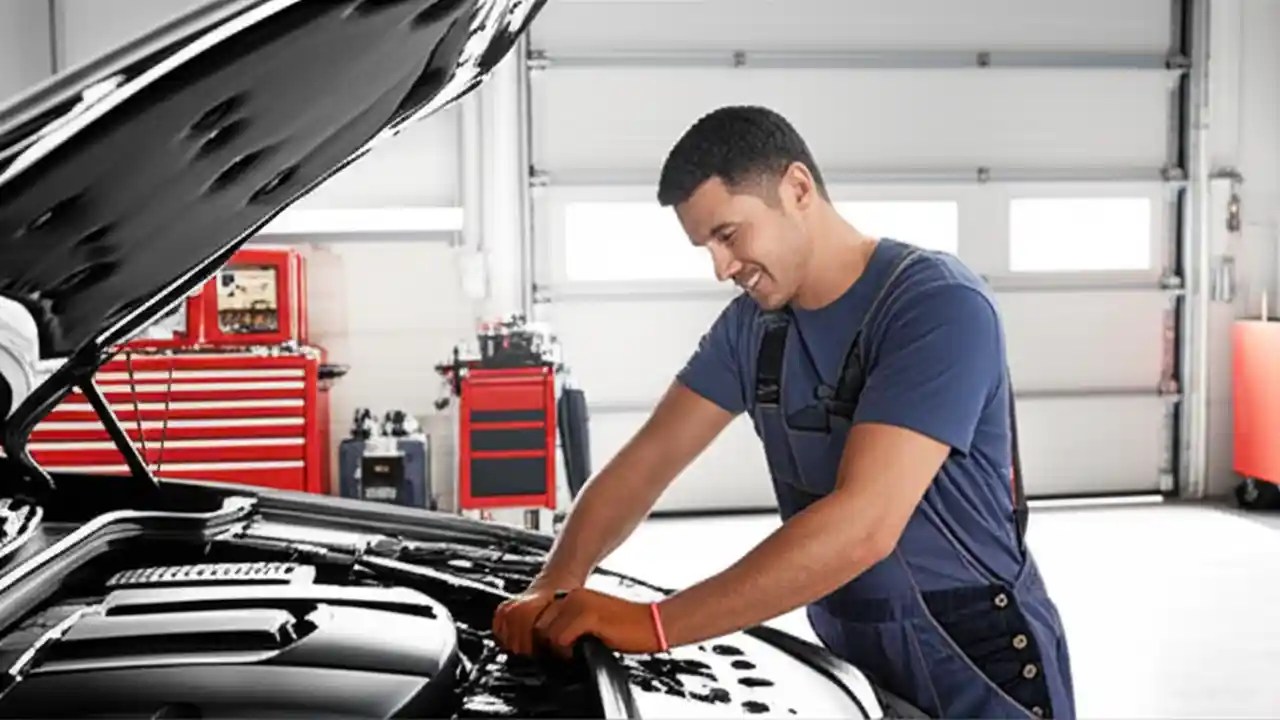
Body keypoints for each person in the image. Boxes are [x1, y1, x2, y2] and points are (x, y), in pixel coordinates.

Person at [492, 105, 1076, 720]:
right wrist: (556, 581)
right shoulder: (755, 330)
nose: (721, 269)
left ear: (797, 189)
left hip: (976, 657)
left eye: (728, 235)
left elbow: (864, 525)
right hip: (851, 648)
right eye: (705, 247)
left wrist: (656, 625)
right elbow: (647, 461)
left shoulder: (936, 307)